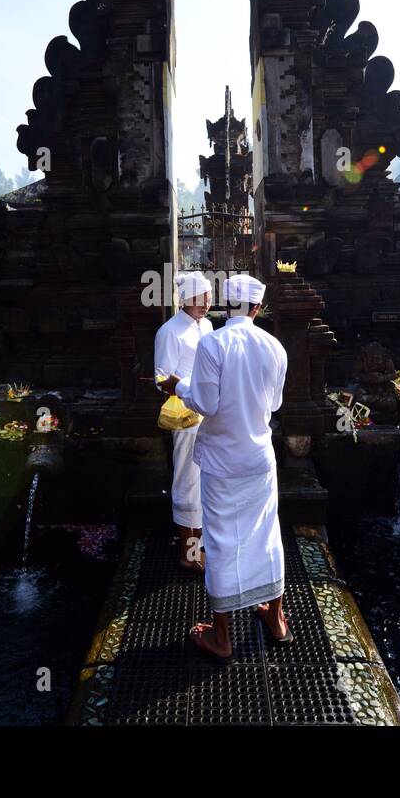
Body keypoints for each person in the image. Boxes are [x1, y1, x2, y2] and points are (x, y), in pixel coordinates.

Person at [158, 272, 291, 661]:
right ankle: (276, 617)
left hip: (221, 461)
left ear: (224, 306)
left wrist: (178, 386)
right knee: (267, 534)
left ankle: (221, 636)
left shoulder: (212, 344)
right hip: (259, 459)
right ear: (257, 307)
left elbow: (205, 404)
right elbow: (275, 405)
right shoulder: (275, 347)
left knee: (219, 541)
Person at [153, 271, 214, 570]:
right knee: (187, 479)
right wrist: (190, 389)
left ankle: (200, 545)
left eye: (208, 297)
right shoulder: (169, 331)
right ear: (186, 299)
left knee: (206, 478)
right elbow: (160, 378)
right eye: (200, 298)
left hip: (211, 412)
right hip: (187, 412)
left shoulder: (208, 326)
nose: (206, 303)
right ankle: (187, 555)